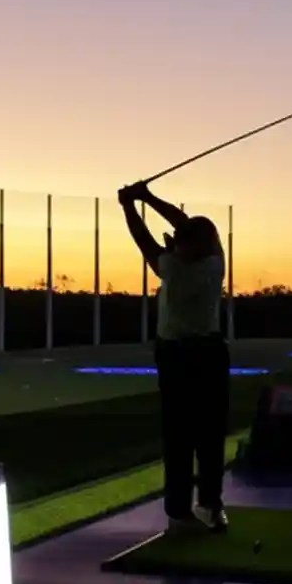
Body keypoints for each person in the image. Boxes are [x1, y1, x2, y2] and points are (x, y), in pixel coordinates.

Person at [118, 180, 229, 533]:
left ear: (182, 247)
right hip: (209, 353)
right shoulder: (215, 261)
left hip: (179, 357)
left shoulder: (174, 268)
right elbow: (182, 223)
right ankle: (210, 506)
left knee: (180, 436)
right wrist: (147, 197)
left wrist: (129, 204)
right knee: (209, 435)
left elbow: (144, 241)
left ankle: (180, 514)